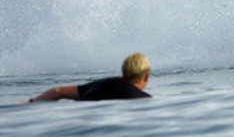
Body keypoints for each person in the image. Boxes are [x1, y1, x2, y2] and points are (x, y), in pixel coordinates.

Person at [22, 52, 152, 103]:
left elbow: (56, 92)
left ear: (123, 70)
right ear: (146, 76)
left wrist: (30, 103)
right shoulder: (143, 99)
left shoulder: (102, 84)